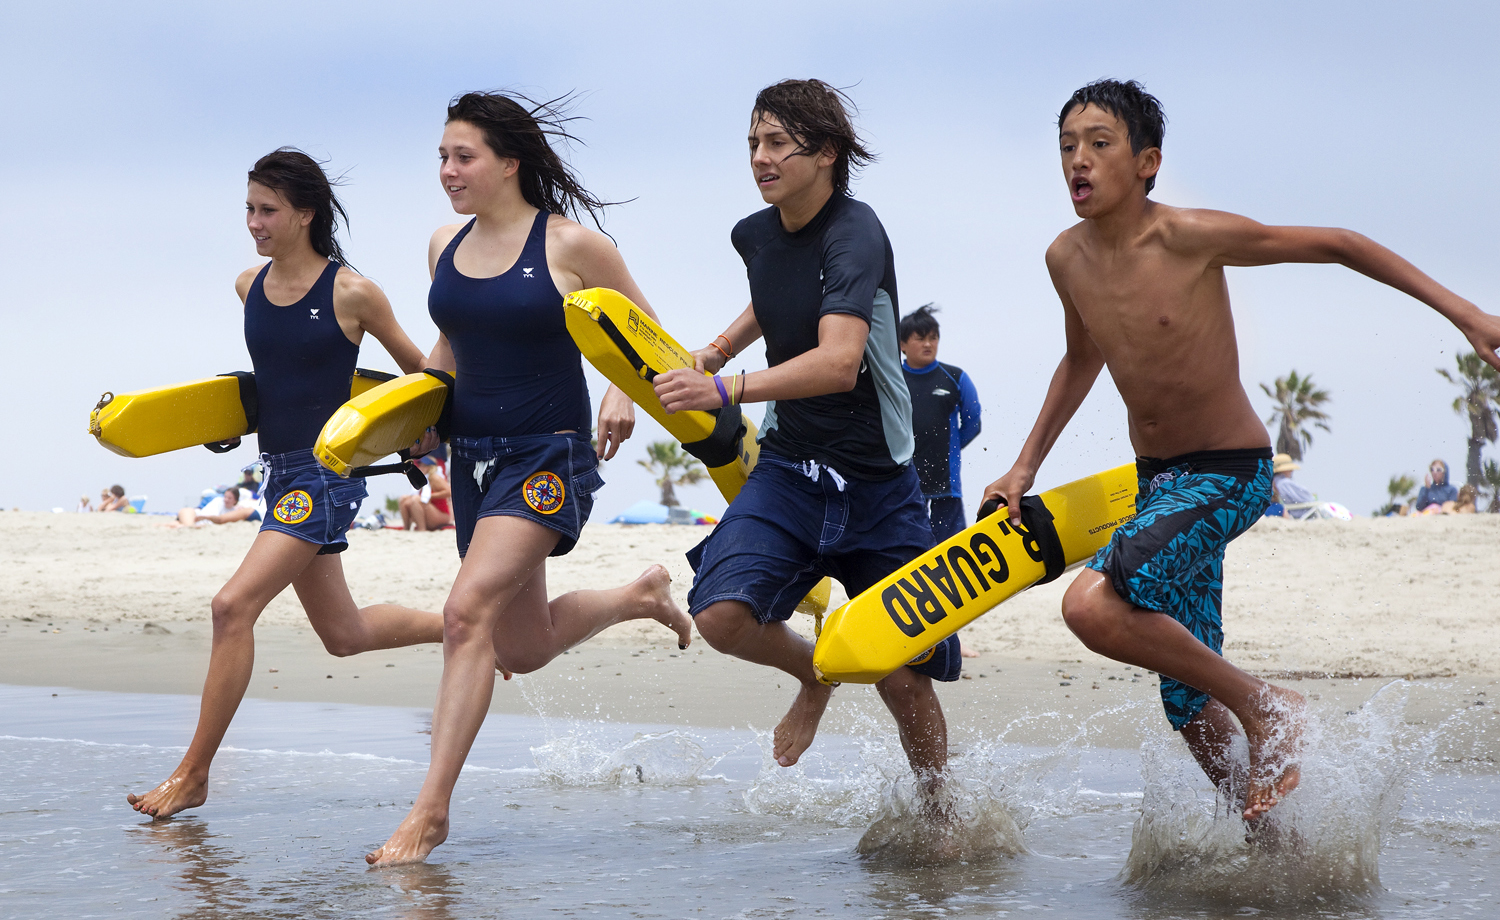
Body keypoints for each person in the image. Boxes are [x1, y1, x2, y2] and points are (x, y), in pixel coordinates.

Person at [985, 78, 1500, 824]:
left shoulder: (1190, 237)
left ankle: (1270, 709)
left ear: (1147, 162)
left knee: (1091, 607)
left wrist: (1466, 312)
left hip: (1228, 473)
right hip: (1158, 483)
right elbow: (1079, 359)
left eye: (1100, 144)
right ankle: (1276, 859)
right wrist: (1025, 464)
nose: (1079, 161)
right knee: (1187, 704)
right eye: (1067, 147)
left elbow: (1340, 244)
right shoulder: (1066, 259)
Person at [366, 91, 692, 867]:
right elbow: (449, 345)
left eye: (463, 156)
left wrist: (621, 388)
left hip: (545, 457)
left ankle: (430, 813)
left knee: (465, 612)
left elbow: (651, 340)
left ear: (509, 162)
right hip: (472, 459)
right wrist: (411, 416)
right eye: (442, 157)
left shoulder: (574, 246)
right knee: (524, 644)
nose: (447, 171)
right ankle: (638, 596)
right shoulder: (445, 244)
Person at [651, 79, 960, 793]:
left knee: (902, 677)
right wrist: (720, 348)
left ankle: (941, 817)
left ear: (824, 153)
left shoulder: (857, 232)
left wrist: (725, 388)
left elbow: (839, 362)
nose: (759, 158)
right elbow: (774, 293)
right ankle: (813, 675)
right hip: (790, 466)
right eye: (753, 143)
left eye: (776, 144)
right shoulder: (755, 233)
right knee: (721, 614)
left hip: (879, 480)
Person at [126, 149, 446, 820]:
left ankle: (193, 774)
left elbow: (420, 375)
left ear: (306, 214)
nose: (254, 222)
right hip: (279, 474)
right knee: (345, 634)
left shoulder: (351, 293)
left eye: (268, 210)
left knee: (230, 607)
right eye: (249, 208)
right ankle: (466, 629)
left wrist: (437, 428)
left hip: (327, 476)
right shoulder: (248, 286)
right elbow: (271, 385)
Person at [900, 305, 982, 542]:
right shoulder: (893, 379)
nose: (928, 344)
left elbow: (972, 423)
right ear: (902, 344)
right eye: (920, 338)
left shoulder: (955, 378)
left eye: (933, 338)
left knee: (950, 545)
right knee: (909, 543)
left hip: (946, 479)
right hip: (904, 478)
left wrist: (950, 447)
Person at [398, 446, 452, 531]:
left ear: (430, 467)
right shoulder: (422, 479)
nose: (421, 468)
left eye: (424, 466)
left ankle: (422, 528)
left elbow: (449, 492)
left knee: (415, 500)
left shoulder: (434, 478)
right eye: (420, 465)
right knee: (403, 499)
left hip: (440, 513)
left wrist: (430, 496)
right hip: (430, 510)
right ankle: (406, 528)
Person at [175, 485, 258, 526]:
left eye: (229, 498)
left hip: (198, 521)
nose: (226, 499)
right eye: (225, 497)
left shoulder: (234, 511)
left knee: (176, 525)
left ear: (235, 500)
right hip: (194, 516)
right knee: (187, 515)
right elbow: (212, 515)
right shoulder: (218, 501)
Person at [1269, 453, 1317, 519]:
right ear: (1283, 470)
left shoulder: (1273, 482)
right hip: (1299, 515)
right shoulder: (1284, 483)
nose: (1292, 471)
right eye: (1289, 469)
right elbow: (1309, 499)